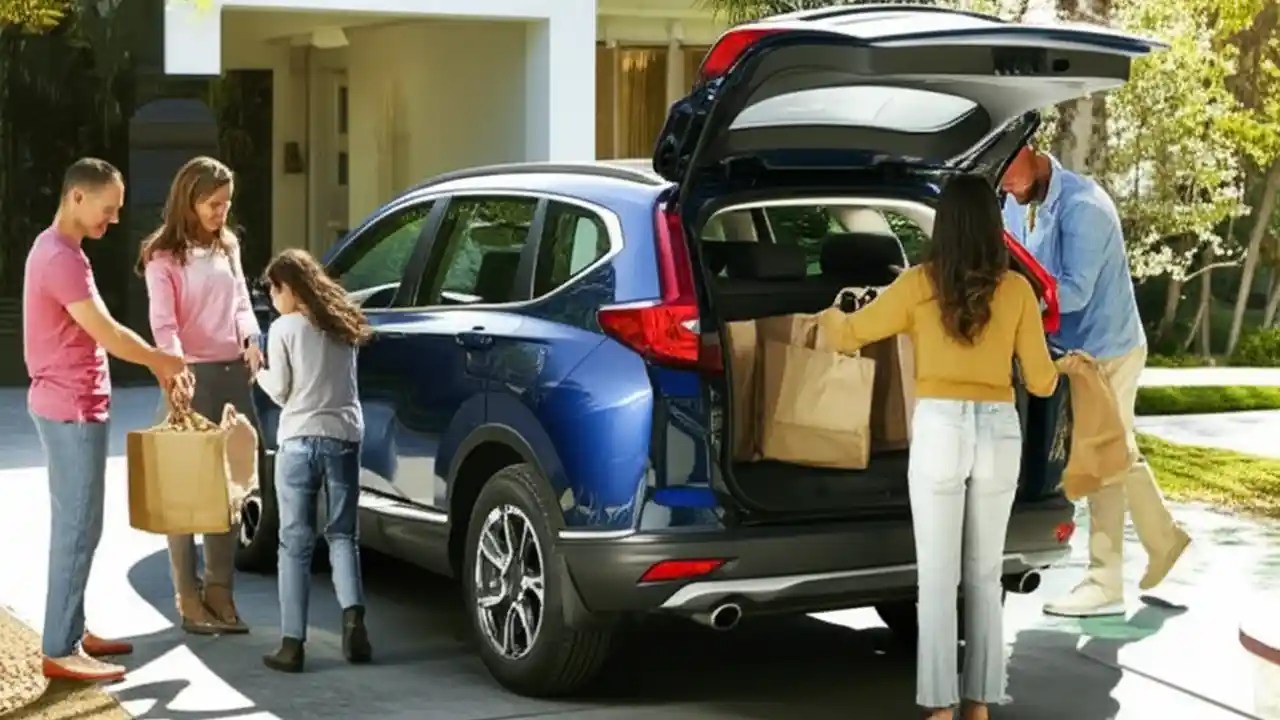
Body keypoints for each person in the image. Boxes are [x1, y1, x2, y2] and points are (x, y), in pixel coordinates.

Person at [819, 174, 1059, 720]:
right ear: (994, 228)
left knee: (937, 576)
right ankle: (979, 707)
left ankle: (939, 709)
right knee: (983, 574)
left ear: (945, 225)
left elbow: (849, 335)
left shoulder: (916, 285)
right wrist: (1062, 365)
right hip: (1000, 430)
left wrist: (831, 314)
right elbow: (1042, 383)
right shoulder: (1017, 290)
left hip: (940, 431)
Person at [1001, 145, 1191, 618]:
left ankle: (1105, 583)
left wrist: (1011, 305)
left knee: (1103, 458)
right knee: (1116, 449)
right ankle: (1165, 539)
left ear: (1030, 152)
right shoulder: (1015, 198)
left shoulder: (1084, 208)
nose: (1006, 186)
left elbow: (1074, 293)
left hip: (1108, 351)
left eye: (1009, 174)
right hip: (1073, 350)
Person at [24, 158, 188, 681]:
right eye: (108, 208)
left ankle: (72, 627)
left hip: (77, 405)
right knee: (76, 528)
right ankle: (60, 647)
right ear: (77, 196)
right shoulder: (60, 258)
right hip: (70, 408)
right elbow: (109, 333)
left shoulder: (62, 251)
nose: (113, 219)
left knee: (84, 526)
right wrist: (163, 360)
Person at [137, 156, 264, 634]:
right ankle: (187, 599)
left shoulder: (228, 245)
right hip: (188, 379)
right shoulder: (162, 257)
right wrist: (175, 372)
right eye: (213, 204)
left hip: (233, 377)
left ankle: (220, 593)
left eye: (226, 204)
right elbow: (163, 324)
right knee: (184, 494)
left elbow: (242, 305)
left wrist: (253, 338)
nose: (221, 213)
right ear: (188, 201)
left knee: (229, 493)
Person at [255, 248, 372, 673]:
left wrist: (257, 368)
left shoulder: (284, 327)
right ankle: (354, 619)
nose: (272, 298)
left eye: (274, 289)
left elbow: (283, 390)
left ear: (289, 287)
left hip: (300, 442)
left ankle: (292, 644)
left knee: (295, 544)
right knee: (343, 535)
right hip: (343, 437)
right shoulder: (343, 323)